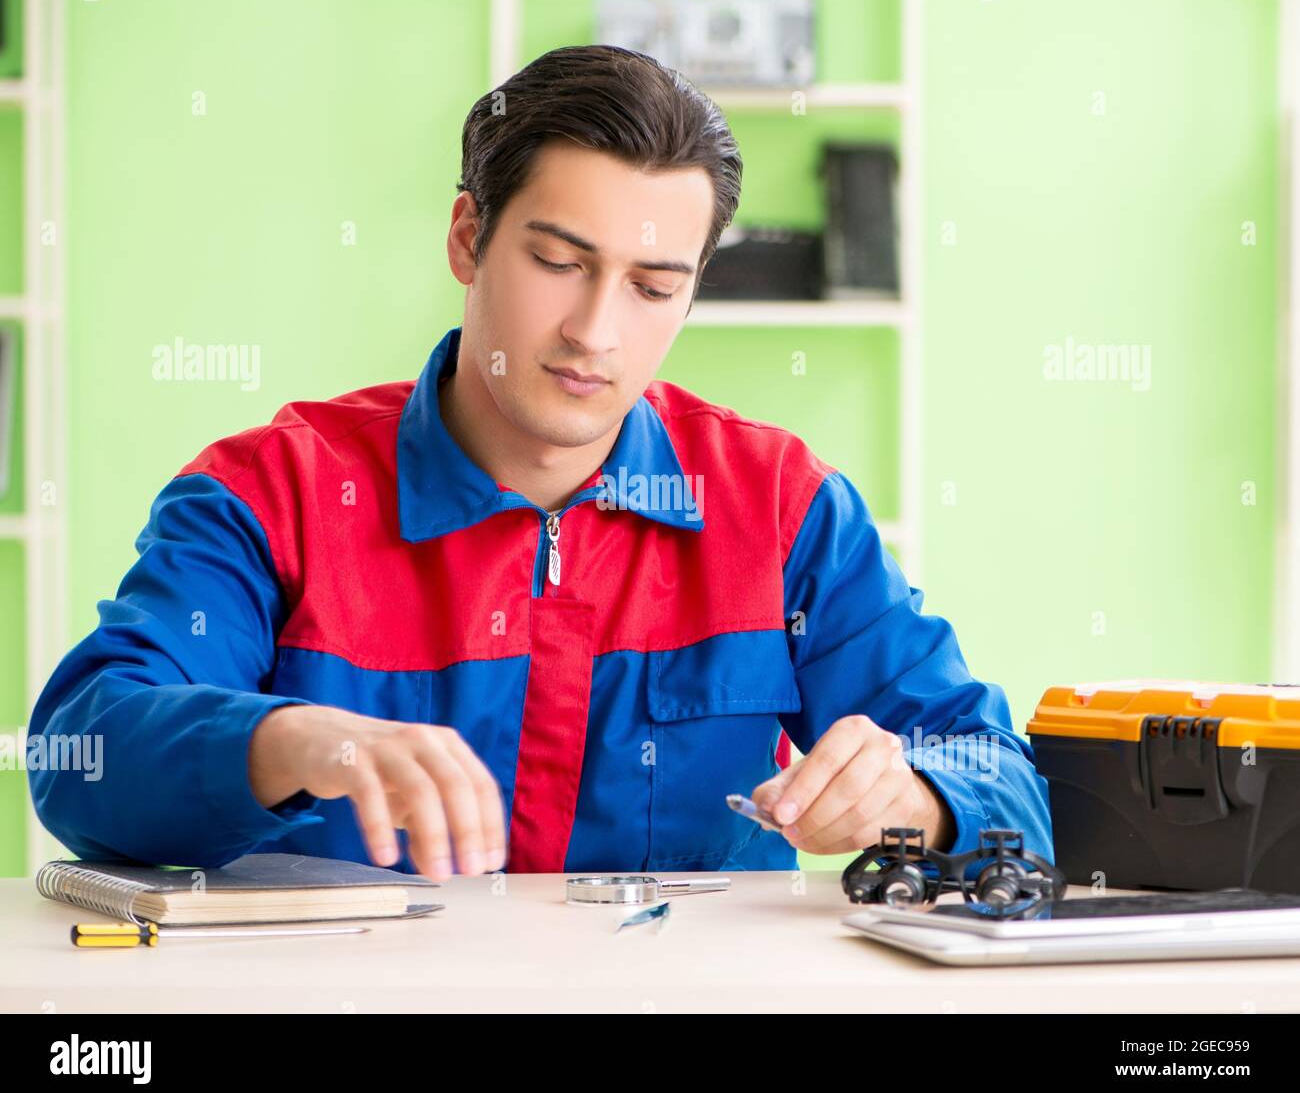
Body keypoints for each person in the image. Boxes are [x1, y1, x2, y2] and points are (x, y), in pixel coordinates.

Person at [28, 45, 1053, 881]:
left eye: (654, 287)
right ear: (468, 237)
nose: (596, 330)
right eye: (559, 263)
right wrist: (301, 741)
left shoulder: (780, 511)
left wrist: (914, 796)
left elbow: (998, 770)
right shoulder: (270, 495)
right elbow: (83, 756)